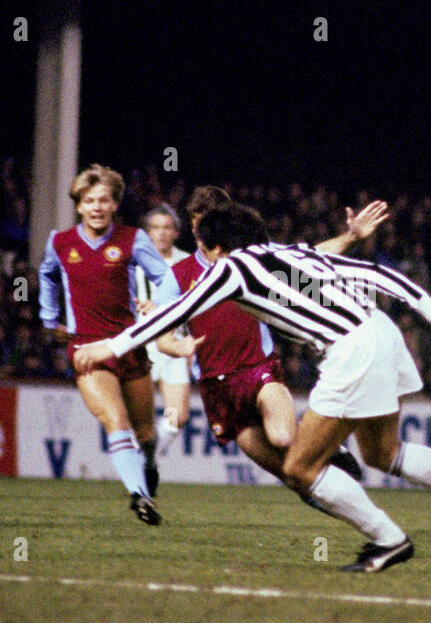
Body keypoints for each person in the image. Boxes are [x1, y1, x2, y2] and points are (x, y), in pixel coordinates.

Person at [73, 203, 431, 573]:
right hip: (381, 333)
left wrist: (106, 347)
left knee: (299, 469)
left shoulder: (232, 268)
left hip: (351, 352)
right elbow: (372, 274)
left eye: (206, 249)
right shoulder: (290, 255)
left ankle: (390, 540)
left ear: (214, 247)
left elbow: (175, 313)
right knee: (383, 454)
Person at [151, 186, 386, 493]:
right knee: (291, 474)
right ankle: (343, 505)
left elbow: (309, 259)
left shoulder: (254, 259)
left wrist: (352, 237)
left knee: (284, 439)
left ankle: (328, 451)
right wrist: (177, 346)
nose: (201, 232)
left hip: (258, 367)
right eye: (196, 224)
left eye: (209, 223)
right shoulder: (179, 275)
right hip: (216, 386)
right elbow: (160, 337)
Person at [39, 165, 179, 525]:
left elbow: (168, 278)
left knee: (145, 433)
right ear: (79, 206)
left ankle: (148, 466)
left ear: (115, 205)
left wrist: (158, 303)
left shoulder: (133, 239)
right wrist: (49, 317)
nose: (97, 207)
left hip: (127, 347)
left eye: (104, 200)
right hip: (87, 349)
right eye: (89, 201)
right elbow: (47, 275)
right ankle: (139, 496)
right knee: (116, 421)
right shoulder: (60, 242)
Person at [133, 204, 192, 455]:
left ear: (176, 232)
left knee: (176, 415)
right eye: (156, 227)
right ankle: (141, 462)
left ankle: (147, 460)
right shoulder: (133, 262)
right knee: (138, 421)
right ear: (147, 233)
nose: (162, 233)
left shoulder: (187, 262)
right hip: (141, 345)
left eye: (167, 227)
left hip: (174, 344)